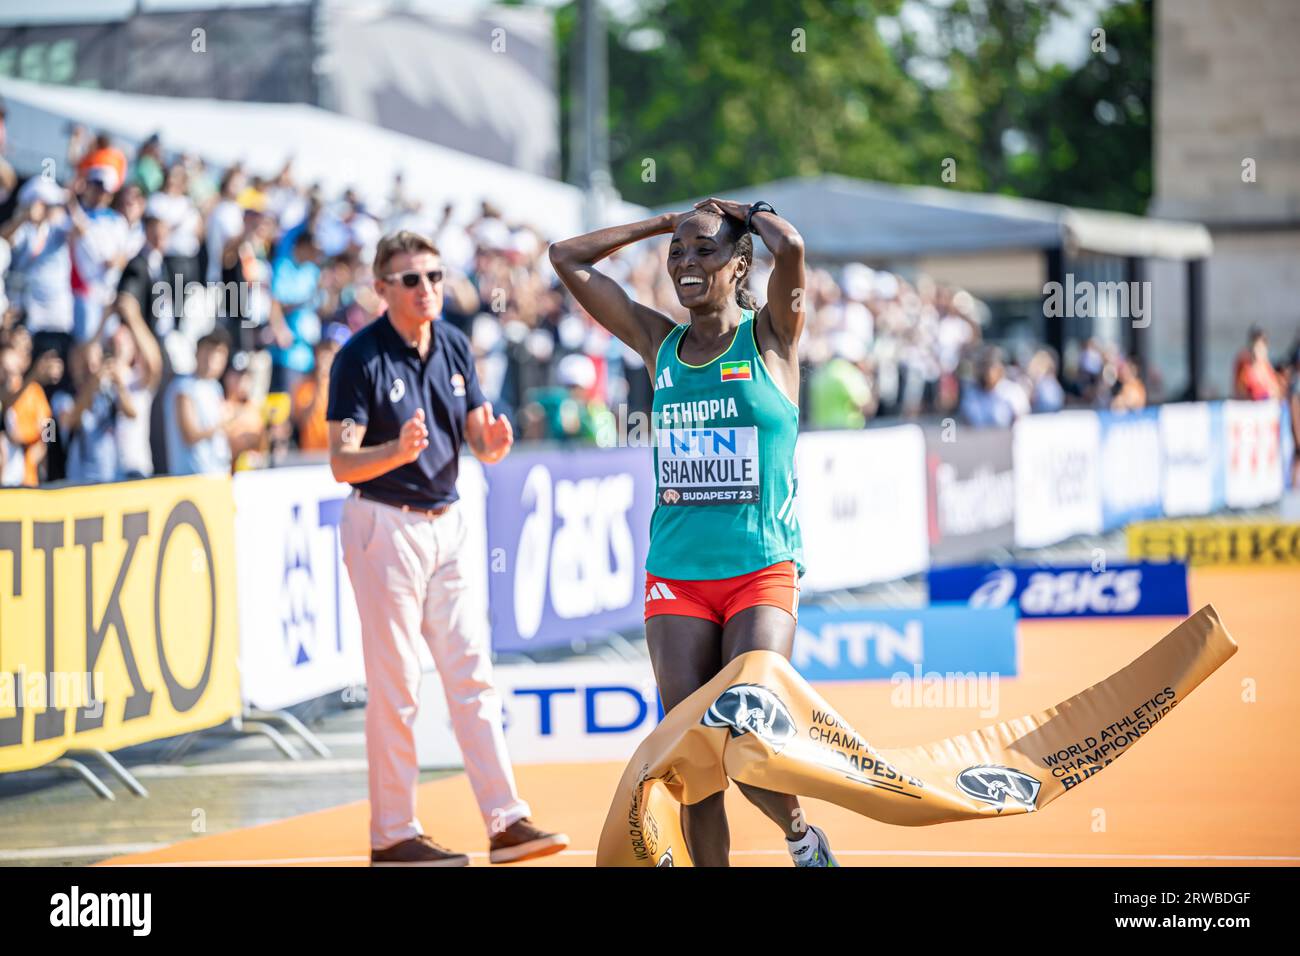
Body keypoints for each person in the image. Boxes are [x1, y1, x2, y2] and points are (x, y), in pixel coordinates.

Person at [550, 198, 837, 867]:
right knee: (696, 765)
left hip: (760, 569)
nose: (685, 262)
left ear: (740, 265)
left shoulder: (771, 337)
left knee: (745, 736)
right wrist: (660, 223)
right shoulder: (661, 345)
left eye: (704, 249)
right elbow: (566, 257)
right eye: (677, 253)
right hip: (677, 575)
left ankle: (801, 838)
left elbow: (789, 244)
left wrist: (743, 213)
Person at [326, 230, 567, 867]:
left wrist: (491, 441)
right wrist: (393, 452)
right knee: (397, 686)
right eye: (411, 279)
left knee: (472, 677)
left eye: (434, 276)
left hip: (447, 519)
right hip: (385, 523)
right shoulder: (359, 357)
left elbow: (477, 437)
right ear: (381, 289)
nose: (427, 288)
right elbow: (341, 463)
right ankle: (393, 835)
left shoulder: (454, 343)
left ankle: (506, 820)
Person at [162, 327, 233, 476]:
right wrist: (224, 424)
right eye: (208, 352)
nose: (212, 360)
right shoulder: (183, 387)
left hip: (218, 474)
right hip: (191, 479)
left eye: (219, 355)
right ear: (196, 353)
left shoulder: (215, 387)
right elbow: (190, 435)